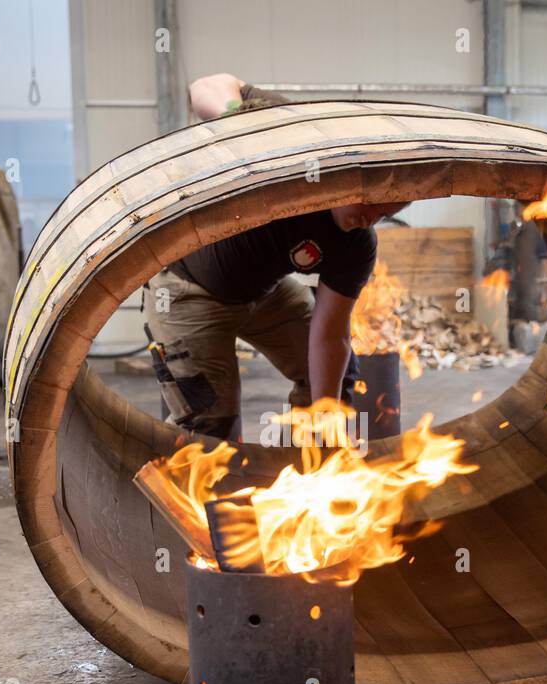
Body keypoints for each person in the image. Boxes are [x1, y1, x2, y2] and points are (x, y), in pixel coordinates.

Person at [143, 73, 409, 440]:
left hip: (262, 292)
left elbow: (331, 333)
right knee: (211, 423)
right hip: (187, 288)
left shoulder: (357, 244)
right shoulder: (293, 143)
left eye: (384, 213)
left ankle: (306, 472)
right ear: (348, 170)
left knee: (333, 379)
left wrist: (324, 415)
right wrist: (241, 124)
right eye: (370, 201)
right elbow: (204, 86)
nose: (370, 217)